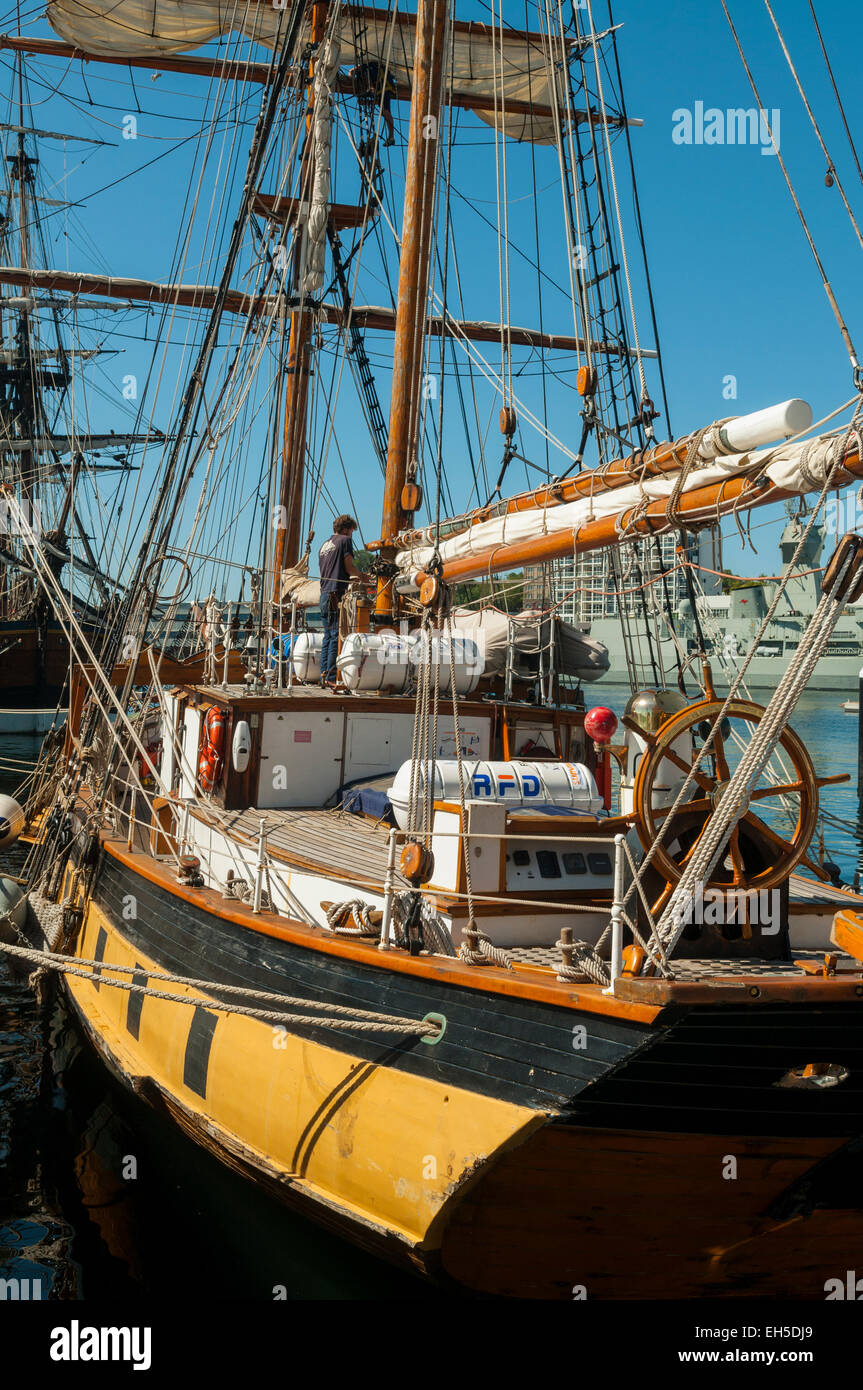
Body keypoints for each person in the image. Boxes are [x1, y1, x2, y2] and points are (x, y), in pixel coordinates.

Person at [318, 515, 363, 686]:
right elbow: (349, 567)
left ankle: (324, 675)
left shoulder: (324, 546)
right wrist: (362, 576)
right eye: (351, 531)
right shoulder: (344, 541)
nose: (351, 534)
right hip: (336, 594)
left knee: (327, 637)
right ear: (346, 528)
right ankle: (331, 678)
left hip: (324, 594)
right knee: (335, 636)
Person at [350, 60, 397, 146]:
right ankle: (391, 137)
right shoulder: (367, 68)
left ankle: (391, 137)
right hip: (382, 87)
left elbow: (351, 72)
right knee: (385, 112)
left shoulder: (365, 68)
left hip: (382, 87)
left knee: (386, 112)